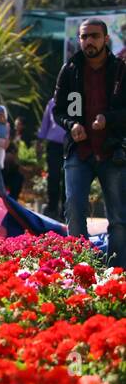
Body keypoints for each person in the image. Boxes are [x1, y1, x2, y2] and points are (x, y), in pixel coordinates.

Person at [53, 18, 126, 266]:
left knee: (118, 217)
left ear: (106, 39)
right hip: (78, 152)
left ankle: (116, 273)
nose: (88, 41)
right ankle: (79, 268)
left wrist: (109, 119)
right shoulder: (70, 69)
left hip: (112, 152)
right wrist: (71, 125)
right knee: (74, 212)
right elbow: (58, 110)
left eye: (94, 36)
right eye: (84, 37)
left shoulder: (121, 70)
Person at [36, 95, 67, 220]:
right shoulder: (52, 102)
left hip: (71, 143)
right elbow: (45, 123)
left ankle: (66, 210)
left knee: (68, 178)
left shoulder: (75, 99)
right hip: (54, 144)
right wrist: (40, 141)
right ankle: (52, 208)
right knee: (53, 177)